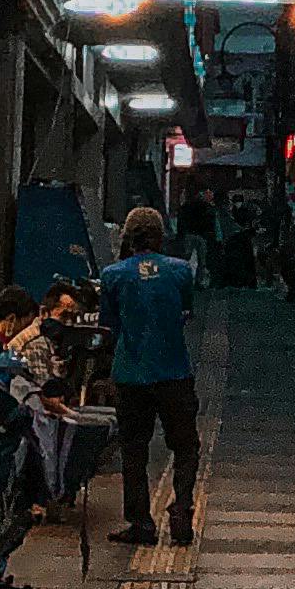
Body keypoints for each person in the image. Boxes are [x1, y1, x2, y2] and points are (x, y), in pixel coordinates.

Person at [99, 202, 202, 544]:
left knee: (134, 449)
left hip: (131, 374)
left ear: (128, 238)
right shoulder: (180, 271)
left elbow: (109, 323)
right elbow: (187, 310)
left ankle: (141, 523)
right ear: (160, 238)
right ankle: (182, 507)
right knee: (185, 445)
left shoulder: (113, 275)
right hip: (174, 371)